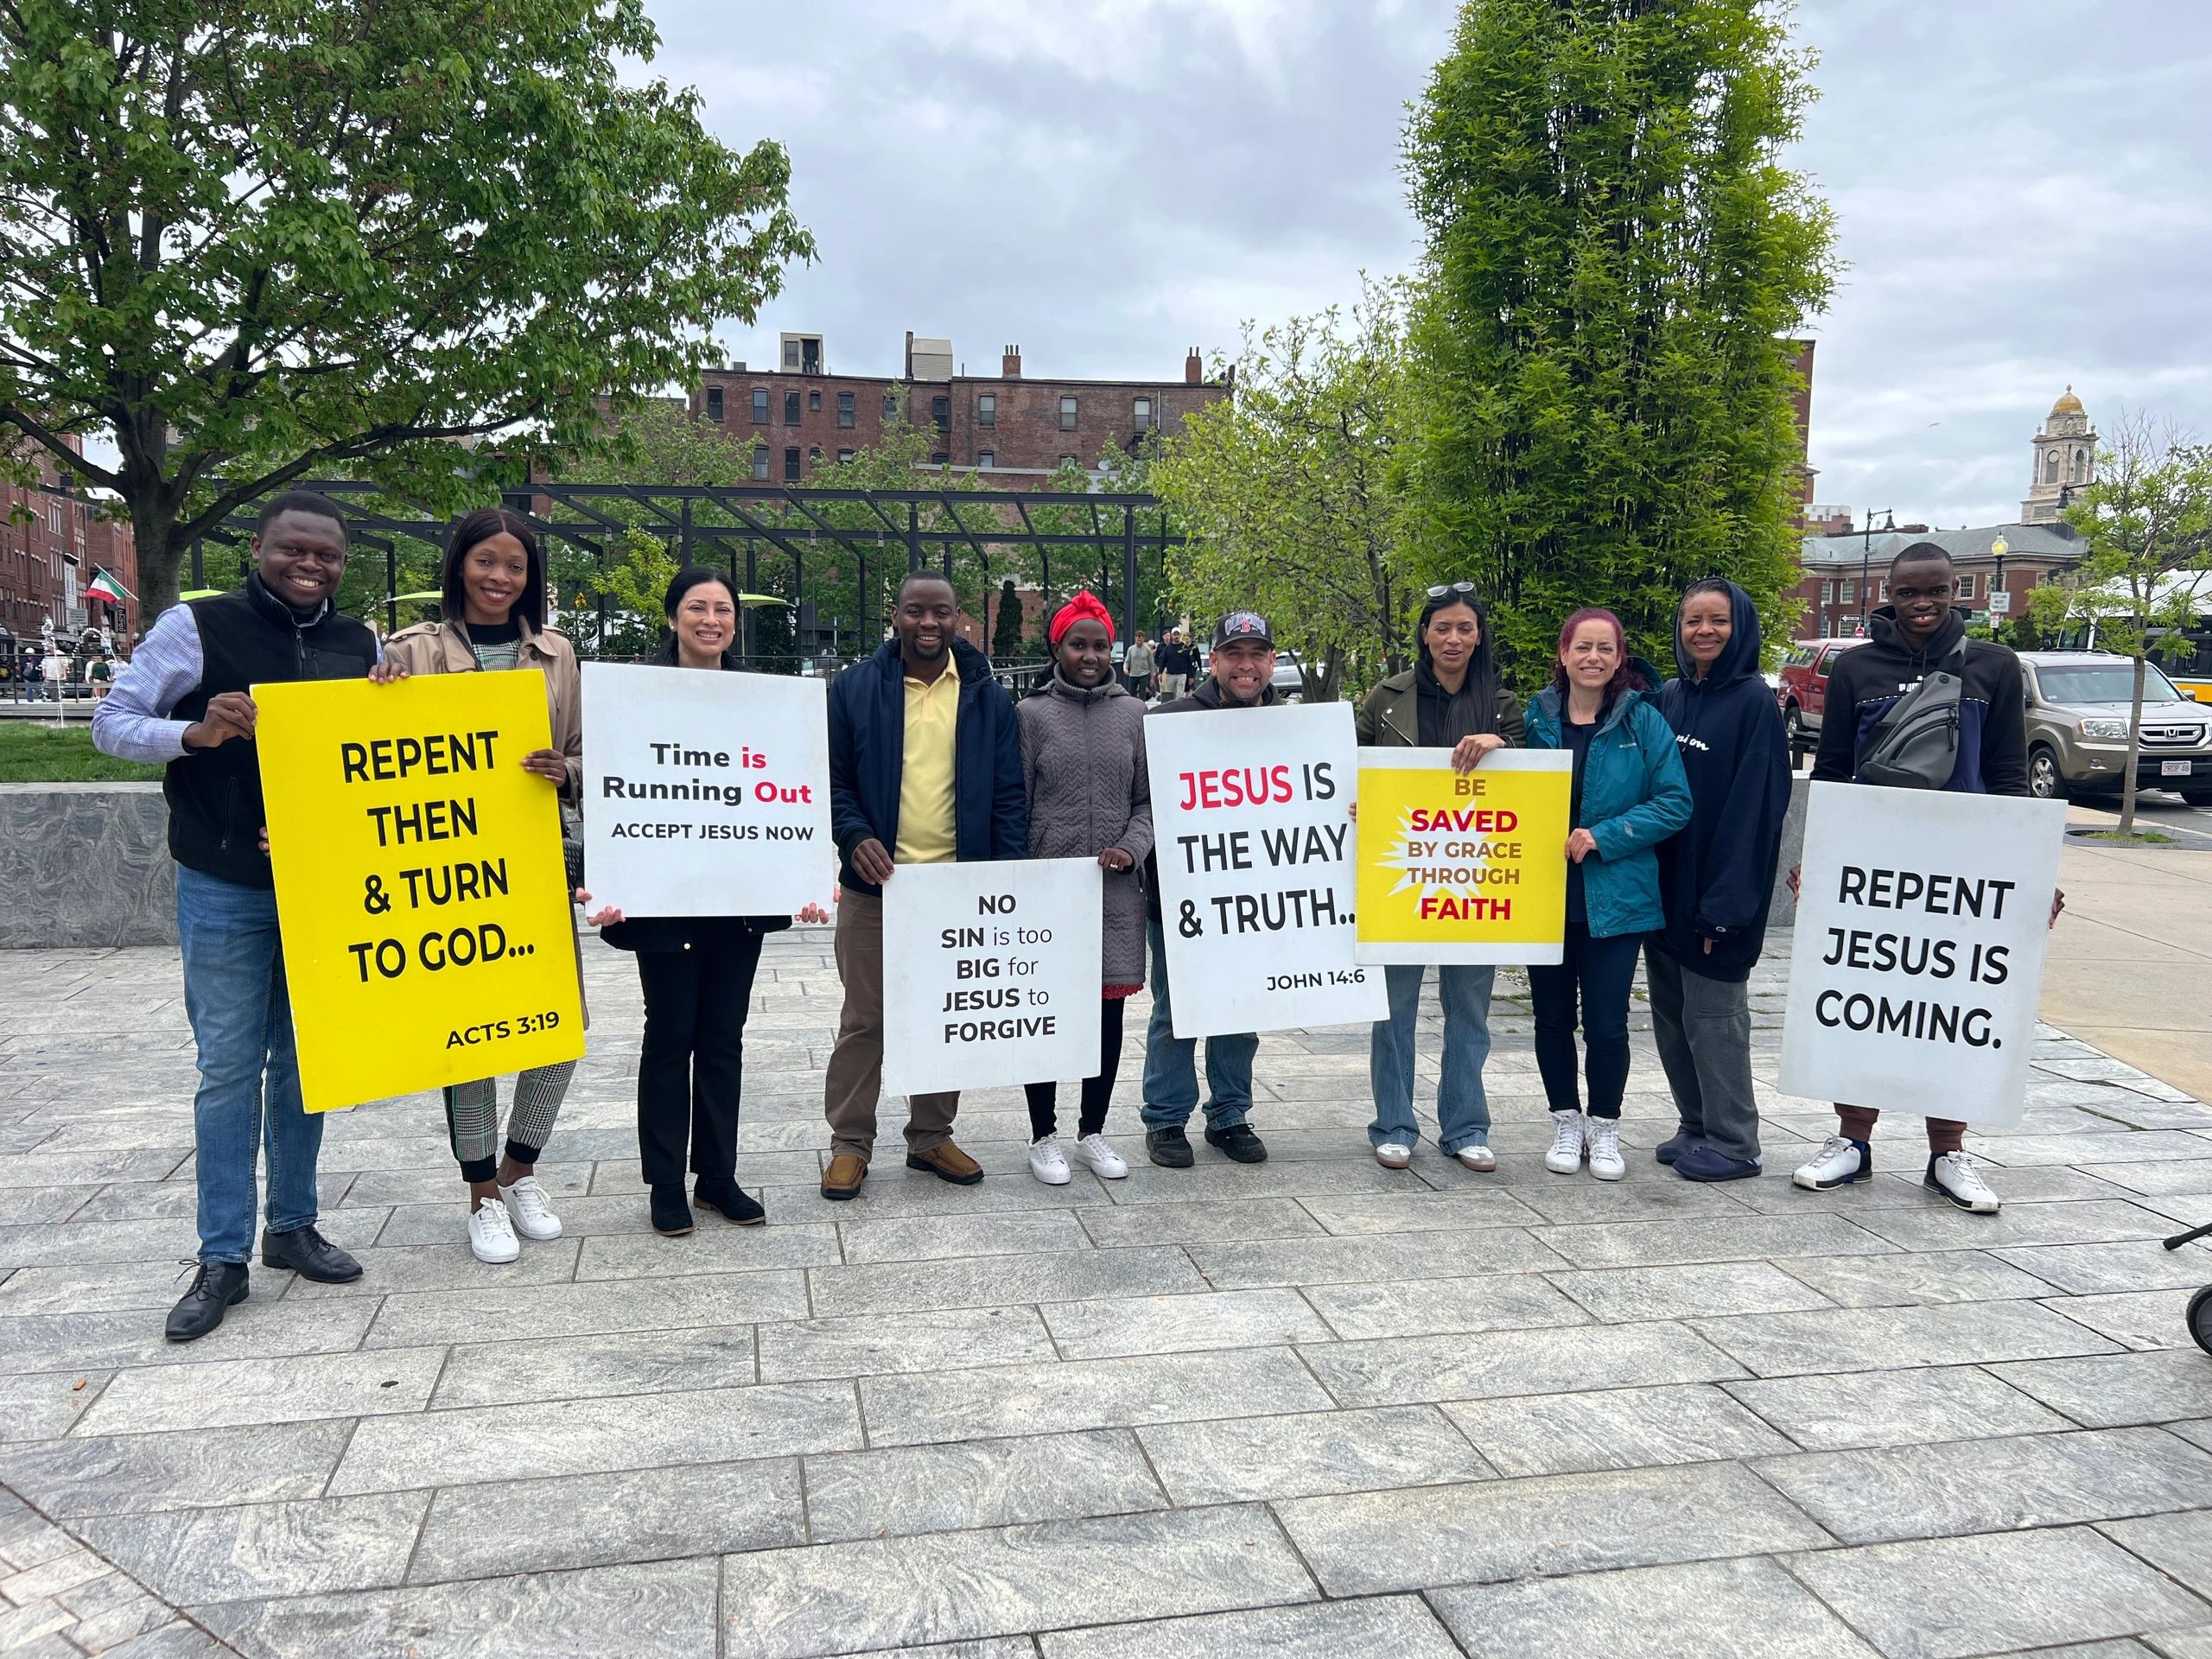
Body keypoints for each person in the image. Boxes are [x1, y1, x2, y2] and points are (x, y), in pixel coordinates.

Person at [92, 491, 378, 1340]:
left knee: (304, 1063)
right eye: (293, 548)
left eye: (326, 554)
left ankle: (292, 1226)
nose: (309, 564)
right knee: (226, 1068)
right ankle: (221, 1256)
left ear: (343, 563)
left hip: (320, 885)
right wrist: (194, 733)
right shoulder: (196, 627)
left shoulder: (359, 643)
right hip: (224, 883)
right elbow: (111, 724)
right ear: (258, 548)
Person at [1790, 542, 2058, 1214]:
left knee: (1954, 1000)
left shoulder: (1994, 666)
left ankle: (1948, 1151)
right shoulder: (1857, 668)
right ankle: (1853, 1139)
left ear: (1953, 590)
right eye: (1909, 591)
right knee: (1866, 992)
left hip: (1964, 863)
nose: (1923, 603)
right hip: (1875, 859)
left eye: (1936, 590)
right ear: (1889, 592)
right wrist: (1819, 860)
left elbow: (2008, 775)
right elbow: (1833, 773)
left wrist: (2028, 870)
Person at [578, 569, 829, 1236]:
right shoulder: (635, 696)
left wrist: (804, 878)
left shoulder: (763, 701)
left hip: (737, 900)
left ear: (735, 623)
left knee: (722, 1040)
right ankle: (666, 1184)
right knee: (669, 1037)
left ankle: (717, 1177)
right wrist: (608, 878)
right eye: (697, 607)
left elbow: (788, 790)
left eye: (723, 609)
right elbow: (615, 788)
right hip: (665, 900)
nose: (711, 619)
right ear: (672, 618)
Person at [383, 508, 583, 1262]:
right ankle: (481, 1194)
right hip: (450, 871)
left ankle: (519, 1170)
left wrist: (567, 770)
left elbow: (586, 751)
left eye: (516, 566)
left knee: (556, 1030)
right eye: (486, 562)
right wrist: (377, 691)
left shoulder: (557, 654)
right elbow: (371, 752)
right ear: (459, 565)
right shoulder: (409, 650)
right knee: (470, 1037)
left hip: (536, 862)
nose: (500, 577)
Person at [819, 571, 1028, 1201]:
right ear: (897, 614)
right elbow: (832, 780)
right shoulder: (854, 688)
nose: (928, 623)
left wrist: (1004, 877)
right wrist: (854, 836)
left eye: (941, 612)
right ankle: (850, 1144)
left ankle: (931, 1135)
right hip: (875, 888)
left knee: (947, 1014)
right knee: (866, 1020)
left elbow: (1009, 796)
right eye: (916, 611)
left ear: (958, 617)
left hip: (956, 890)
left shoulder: (988, 697)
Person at [1356, 582, 1524, 1173]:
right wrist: (1357, 799)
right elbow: (1350, 762)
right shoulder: (1386, 698)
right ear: (1425, 634)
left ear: (1479, 638)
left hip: (1477, 880)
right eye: (1443, 627)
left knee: (1470, 1012)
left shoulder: (1502, 705)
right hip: (1401, 875)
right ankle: (1394, 1125)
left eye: (1465, 628)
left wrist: (1502, 743)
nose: (1454, 638)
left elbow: (1534, 781)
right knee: (1393, 1010)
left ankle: (1466, 1126)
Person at [1523, 608, 1693, 1180]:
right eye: (1582, 647)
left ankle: (1604, 1126)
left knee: (1606, 1023)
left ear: (1620, 658)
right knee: (1551, 1019)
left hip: (1617, 898)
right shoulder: (1536, 717)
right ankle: (1565, 1122)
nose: (1592, 657)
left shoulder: (1642, 722)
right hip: (1544, 895)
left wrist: (1605, 835)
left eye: (1605, 648)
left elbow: (1675, 802)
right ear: (1564, 653)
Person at [1649, 580, 1793, 1182]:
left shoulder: (1755, 703)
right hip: (1664, 892)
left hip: (1719, 898)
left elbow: (1755, 812)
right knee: (1671, 1014)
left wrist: (1726, 908)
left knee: (1715, 1019)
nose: (1704, 631)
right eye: (1693, 621)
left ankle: (1735, 1142)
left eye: (1719, 620)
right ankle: (1696, 1123)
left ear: (1742, 628)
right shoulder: (1671, 696)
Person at [1017, 593, 1151, 1185]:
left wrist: (1132, 847)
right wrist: (1024, 870)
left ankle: (1091, 1130)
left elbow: (1148, 800)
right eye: (1078, 644)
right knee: (1044, 1010)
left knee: (1106, 1012)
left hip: (1114, 888)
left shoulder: (1136, 715)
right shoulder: (1030, 715)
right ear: (1058, 648)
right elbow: (1016, 800)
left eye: (1100, 645)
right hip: (1048, 888)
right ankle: (1042, 1134)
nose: (1090, 655)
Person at [1140, 610, 1281, 1170]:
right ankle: (1165, 1118)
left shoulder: (1297, 730)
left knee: (1242, 1006)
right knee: (1176, 1010)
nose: (1246, 665)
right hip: (1182, 897)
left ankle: (1229, 1115)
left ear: (1271, 661)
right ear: (1214, 660)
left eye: (1257, 654)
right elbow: (1144, 804)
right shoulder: (1169, 721)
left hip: (1261, 899)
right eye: (1235, 654)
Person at [1155, 629, 1192, 702]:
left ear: (1180, 635)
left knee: (1180, 695)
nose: (1176, 636)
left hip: (1182, 674)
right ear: (1172, 636)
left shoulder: (1185, 648)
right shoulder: (1168, 648)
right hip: (1170, 674)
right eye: (1175, 635)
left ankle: (1178, 707)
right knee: (1169, 694)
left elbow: (1189, 663)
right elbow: (1163, 661)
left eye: (1178, 634)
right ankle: (1170, 707)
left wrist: (1191, 676)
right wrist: (1160, 673)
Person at [1122, 630, 1157, 702]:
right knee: (1131, 693)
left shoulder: (1147, 650)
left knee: (1142, 693)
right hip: (1133, 674)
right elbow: (1127, 661)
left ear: (1143, 639)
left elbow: (1151, 664)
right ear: (1135, 639)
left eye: (1141, 640)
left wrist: (1152, 677)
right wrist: (1125, 668)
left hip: (1144, 674)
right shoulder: (1131, 649)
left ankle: (1142, 704)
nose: (1139, 642)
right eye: (1138, 640)